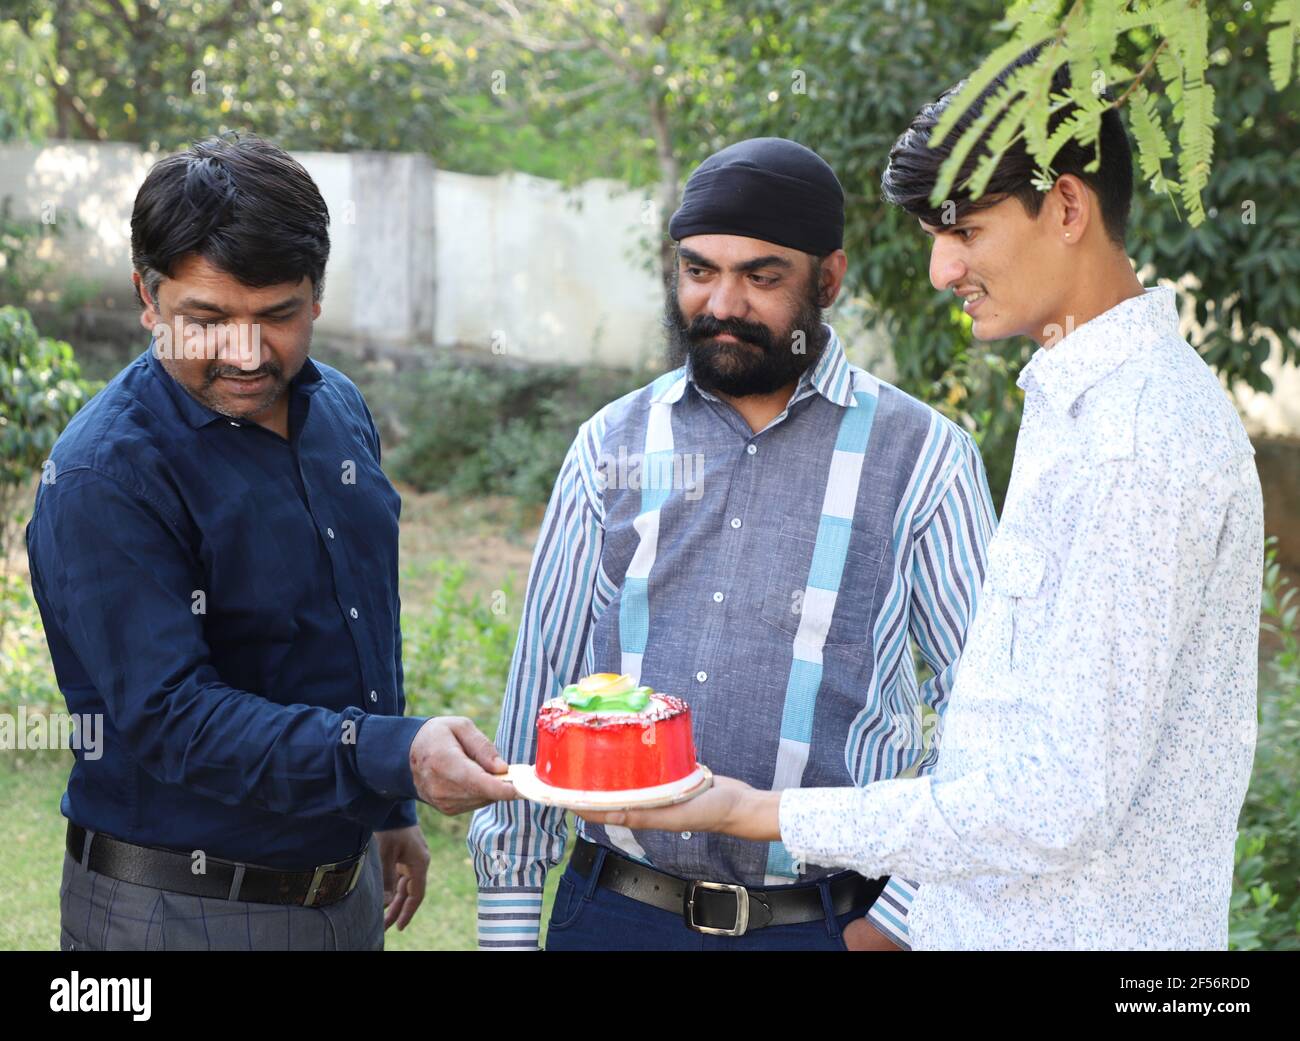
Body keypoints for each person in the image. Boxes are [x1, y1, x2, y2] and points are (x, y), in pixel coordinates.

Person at [580, 52, 1264, 951]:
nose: (942, 269)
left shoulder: (1134, 441)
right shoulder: (1080, 406)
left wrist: (765, 812)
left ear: (1066, 207)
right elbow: (1003, 735)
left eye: (965, 231)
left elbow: (1059, 800)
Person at [470, 137, 996, 950]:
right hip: (613, 913)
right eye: (699, 270)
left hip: (825, 923)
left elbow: (986, 711)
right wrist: (507, 925)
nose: (723, 303)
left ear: (829, 278)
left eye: (761, 276)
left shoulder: (926, 458)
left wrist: (895, 922)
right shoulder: (611, 442)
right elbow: (542, 686)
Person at [26, 134, 514, 951]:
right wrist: (391, 755)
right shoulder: (105, 476)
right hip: (173, 911)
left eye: (277, 316)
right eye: (206, 321)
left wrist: (386, 808)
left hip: (344, 891)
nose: (246, 353)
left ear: (316, 297)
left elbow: (365, 619)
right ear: (147, 299)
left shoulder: (339, 411)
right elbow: (173, 719)